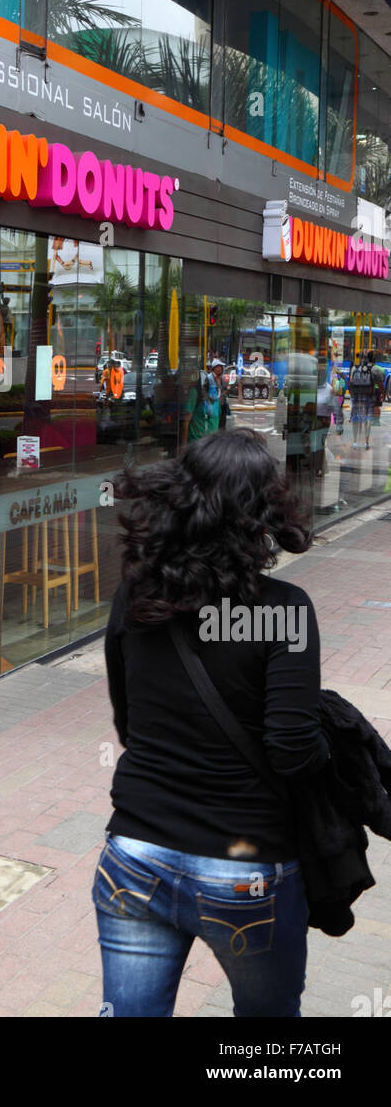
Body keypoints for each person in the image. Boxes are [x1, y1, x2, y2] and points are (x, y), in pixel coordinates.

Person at [93, 429, 330, 1017]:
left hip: (135, 854)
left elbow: (127, 723)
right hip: (245, 869)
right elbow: (293, 748)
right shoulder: (283, 610)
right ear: (265, 508)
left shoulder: (138, 594)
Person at [180, 362, 221, 444]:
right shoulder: (195, 393)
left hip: (211, 444)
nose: (218, 380)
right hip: (197, 443)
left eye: (219, 377)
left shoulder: (217, 397)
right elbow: (186, 420)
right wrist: (183, 445)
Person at [348, 349, 380, 449]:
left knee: (355, 419)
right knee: (368, 419)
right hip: (369, 398)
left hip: (357, 397)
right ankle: (366, 442)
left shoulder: (354, 368)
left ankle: (355, 442)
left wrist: (352, 394)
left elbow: (350, 383)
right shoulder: (374, 369)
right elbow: (379, 383)